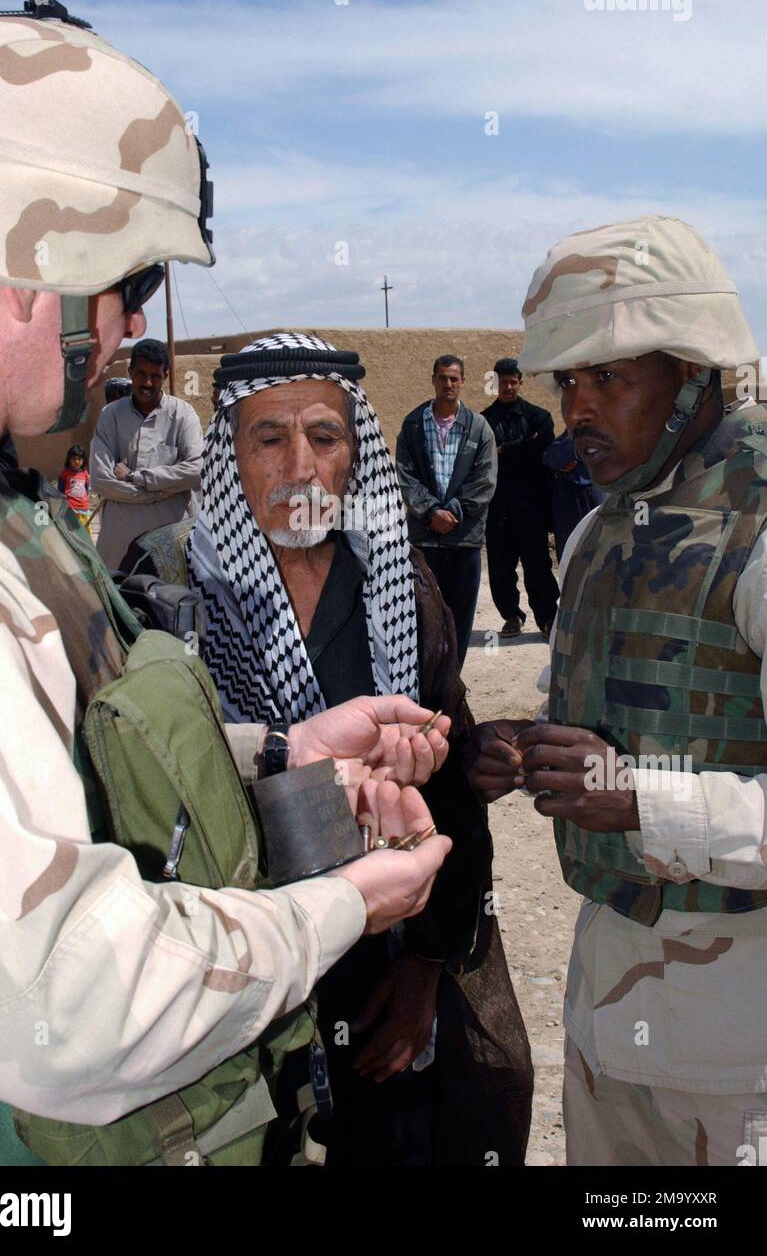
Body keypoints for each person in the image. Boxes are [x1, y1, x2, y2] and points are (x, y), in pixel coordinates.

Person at [0, 0, 450, 1167]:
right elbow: (63, 1002)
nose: (127, 331)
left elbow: (82, 740)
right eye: (129, 281)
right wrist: (349, 906)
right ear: (35, 261)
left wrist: (283, 750)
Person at [126, 333, 531, 1165]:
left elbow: (448, 788)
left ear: (355, 456)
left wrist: (423, 967)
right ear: (230, 455)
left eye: (324, 436)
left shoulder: (398, 586)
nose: (299, 465)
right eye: (267, 438)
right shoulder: (165, 586)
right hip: (227, 956)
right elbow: (134, 785)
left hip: (376, 953)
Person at [469, 213, 767, 1167]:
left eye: (610, 378)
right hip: (612, 1016)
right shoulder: (607, 530)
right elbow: (610, 720)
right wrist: (529, 746)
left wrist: (640, 797)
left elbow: (637, 779)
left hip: (740, 1052)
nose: (578, 410)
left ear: (691, 375)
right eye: (569, 382)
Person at [396, 355, 497, 666]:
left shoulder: (479, 428)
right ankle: (426, 680)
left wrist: (452, 511)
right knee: (423, 615)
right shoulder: (413, 425)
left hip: (463, 540)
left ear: (463, 382)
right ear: (433, 380)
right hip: (424, 540)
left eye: (454, 378)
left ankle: (453, 680)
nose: (448, 384)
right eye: (443, 378)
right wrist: (430, 513)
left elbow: (485, 481)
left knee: (459, 618)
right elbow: (405, 475)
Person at [90, 338, 205, 569]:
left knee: (173, 601)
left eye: (155, 376)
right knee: (118, 601)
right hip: (118, 542)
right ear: (130, 371)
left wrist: (136, 478)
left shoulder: (183, 415)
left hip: (171, 541)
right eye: (141, 374)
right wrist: (162, 491)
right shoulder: (110, 415)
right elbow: (102, 481)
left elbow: (195, 470)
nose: (148, 383)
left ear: (166, 375)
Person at [482, 357, 559, 638]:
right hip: (498, 507)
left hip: (532, 507)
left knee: (538, 566)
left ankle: (548, 618)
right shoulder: (484, 421)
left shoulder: (538, 417)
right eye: (503, 382)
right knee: (501, 570)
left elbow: (544, 449)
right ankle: (512, 616)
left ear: (520, 382)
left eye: (513, 381)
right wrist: (525, 447)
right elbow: (485, 458)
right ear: (495, 383)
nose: (509, 387)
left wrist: (505, 450)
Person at [543, 428, 604, 561]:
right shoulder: (574, 429)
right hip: (570, 500)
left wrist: (573, 453)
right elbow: (551, 457)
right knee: (570, 555)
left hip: (594, 496)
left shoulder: (603, 426)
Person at [57, 442, 91, 520]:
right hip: (70, 506)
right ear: (69, 460)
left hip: (83, 506)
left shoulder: (85, 473)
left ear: (83, 460)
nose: (76, 461)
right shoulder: (65, 472)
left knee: (85, 528)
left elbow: (86, 488)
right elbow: (60, 488)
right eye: (74, 459)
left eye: (79, 459)